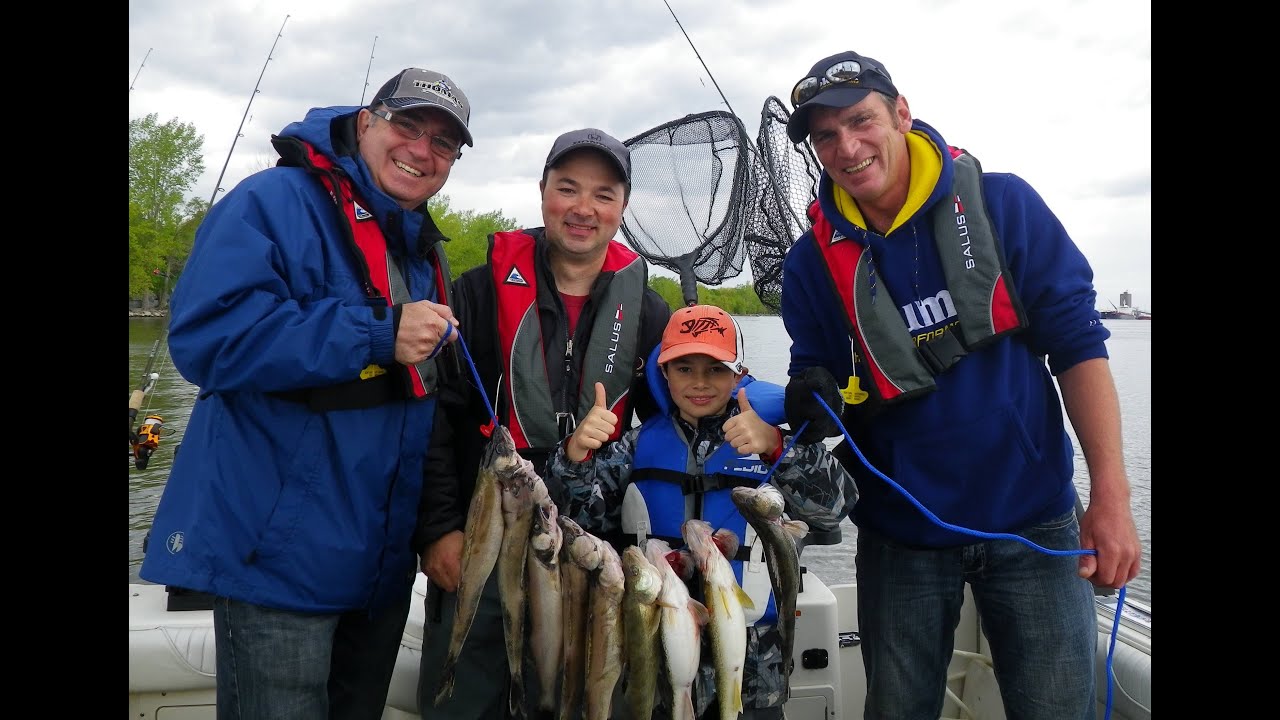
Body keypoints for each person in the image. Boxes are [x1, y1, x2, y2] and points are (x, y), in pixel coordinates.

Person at [777, 50, 1143, 719]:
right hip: (901, 539)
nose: (847, 147)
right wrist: (808, 398)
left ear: (902, 114)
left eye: (860, 121)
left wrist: (1112, 499)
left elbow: (1079, 346)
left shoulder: (1003, 205)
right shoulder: (809, 265)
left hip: (1035, 521)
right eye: (826, 136)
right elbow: (815, 380)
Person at [139, 67, 473, 720]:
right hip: (277, 569)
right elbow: (208, 339)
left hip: (378, 576)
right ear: (368, 121)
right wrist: (376, 333)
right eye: (409, 125)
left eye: (443, 143)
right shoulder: (272, 201)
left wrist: (437, 526)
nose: (422, 150)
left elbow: (424, 407)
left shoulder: (422, 254)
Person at [413, 127, 673, 718]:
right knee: (466, 696)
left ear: (622, 208)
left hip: (593, 554)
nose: (584, 209)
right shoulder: (476, 293)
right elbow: (436, 420)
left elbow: (672, 428)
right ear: (543, 193)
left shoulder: (651, 313)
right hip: (485, 537)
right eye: (568, 188)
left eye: (603, 195)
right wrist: (437, 530)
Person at [551, 304, 859, 720]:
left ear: (739, 375)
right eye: (683, 369)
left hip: (755, 664)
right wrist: (575, 456)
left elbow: (835, 508)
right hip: (658, 648)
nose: (699, 383)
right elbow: (579, 517)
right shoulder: (636, 445)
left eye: (715, 369)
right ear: (664, 374)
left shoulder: (771, 440)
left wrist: (777, 448)